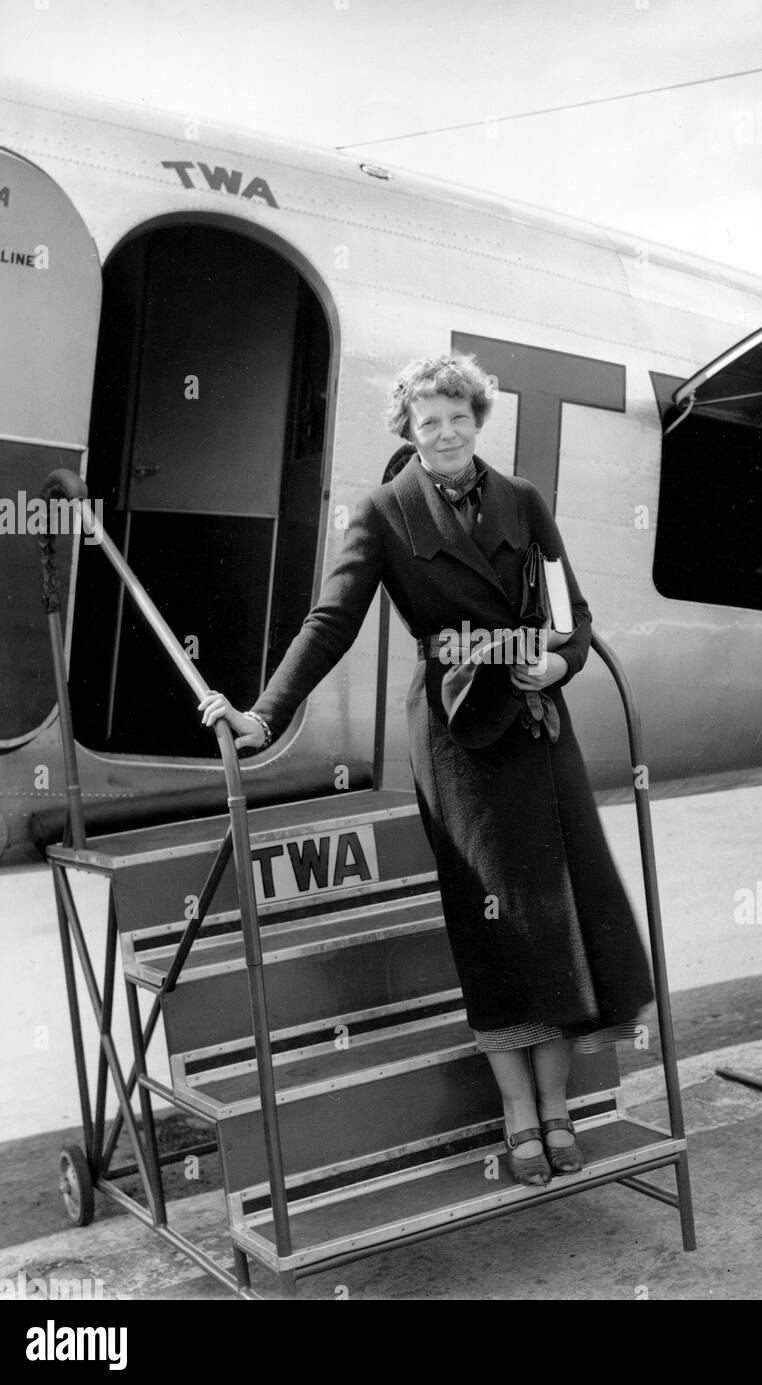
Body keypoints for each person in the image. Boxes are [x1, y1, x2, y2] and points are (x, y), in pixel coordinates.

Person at [199, 354, 653, 1187]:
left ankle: (556, 1110)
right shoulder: (382, 512)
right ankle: (520, 1115)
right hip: (457, 738)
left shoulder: (524, 501)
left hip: (537, 730)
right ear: (407, 431)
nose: (443, 434)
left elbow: (572, 617)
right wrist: (263, 714)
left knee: (556, 922)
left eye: (457, 418)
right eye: (427, 422)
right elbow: (330, 620)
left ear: (479, 420)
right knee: (498, 932)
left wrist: (562, 665)